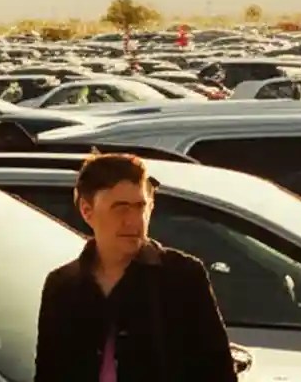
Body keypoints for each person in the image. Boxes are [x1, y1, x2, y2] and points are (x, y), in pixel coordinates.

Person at [34, 152, 236, 382]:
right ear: (87, 210)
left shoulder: (182, 277)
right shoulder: (63, 286)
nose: (134, 221)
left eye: (141, 207)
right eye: (121, 208)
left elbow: (218, 372)